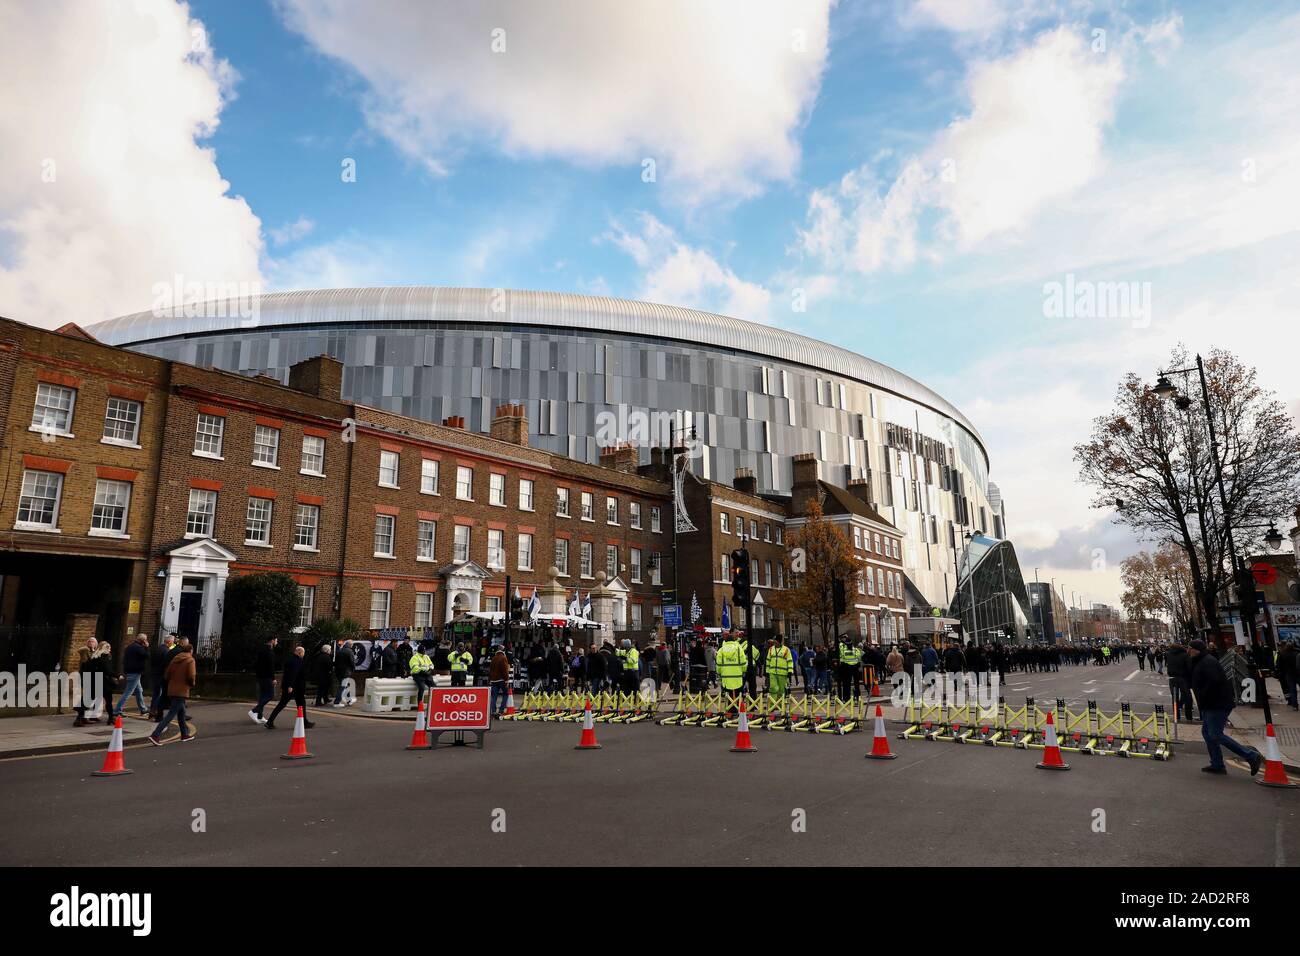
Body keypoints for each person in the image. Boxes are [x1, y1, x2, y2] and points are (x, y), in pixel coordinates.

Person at [1188, 639, 1262, 776]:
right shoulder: (1201, 660)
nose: (1188, 651)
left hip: (1216, 704)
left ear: (1196, 649)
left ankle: (1251, 755)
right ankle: (1217, 764)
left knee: (1215, 735)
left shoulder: (1208, 662)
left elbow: (1214, 681)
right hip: (1210, 704)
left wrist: (1203, 694)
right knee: (1207, 733)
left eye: (1190, 648)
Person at [148, 638, 196, 744]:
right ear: (190, 651)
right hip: (181, 690)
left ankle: (184, 734)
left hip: (171, 689)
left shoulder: (175, 659)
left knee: (181, 712)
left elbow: (167, 675)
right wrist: (191, 684)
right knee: (171, 714)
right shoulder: (190, 660)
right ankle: (155, 735)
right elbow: (192, 676)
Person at [265, 644, 314, 731]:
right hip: (295, 687)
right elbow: (293, 674)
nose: (303, 655)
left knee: (300, 704)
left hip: (293, 687)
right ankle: (269, 722)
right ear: (299, 652)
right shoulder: (296, 661)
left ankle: (304, 722)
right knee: (284, 704)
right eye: (303, 653)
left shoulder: (291, 659)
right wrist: (290, 686)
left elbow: (288, 674)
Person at [112, 635, 151, 718]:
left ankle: (143, 709)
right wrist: (147, 647)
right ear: (143, 641)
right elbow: (147, 656)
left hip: (131, 671)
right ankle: (117, 710)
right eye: (145, 640)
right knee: (128, 692)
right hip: (135, 672)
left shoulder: (130, 647)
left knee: (139, 690)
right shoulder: (139, 648)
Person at [149, 634, 178, 721]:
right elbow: (167, 664)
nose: (172, 644)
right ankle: (156, 712)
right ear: (169, 642)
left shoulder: (158, 648)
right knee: (160, 695)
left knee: (156, 694)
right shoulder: (166, 651)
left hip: (154, 673)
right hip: (161, 675)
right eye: (172, 642)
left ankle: (152, 712)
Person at [250, 636, 278, 723]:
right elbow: (271, 667)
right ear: (272, 641)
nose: (277, 642)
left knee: (263, 695)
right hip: (267, 677)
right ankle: (254, 711)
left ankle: (259, 716)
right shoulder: (269, 652)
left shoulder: (261, 650)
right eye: (276, 640)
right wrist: (273, 678)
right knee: (270, 695)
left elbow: (257, 663)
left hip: (260, 676)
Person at [1165, 640, 1196, 721]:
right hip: (1183, 678)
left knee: (1174, 698)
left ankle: (1176, 716)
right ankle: (1189, 716)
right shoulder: (1185, 655)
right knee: (1187, 696)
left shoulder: (1168, 654)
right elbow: (1189, 667)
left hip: (1172, 678)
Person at [73, 637, 100, 727]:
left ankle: (83, 717)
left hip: (92, 677)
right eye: (89, 641)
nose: (91, 642)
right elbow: (85, 661)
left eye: (93, 641)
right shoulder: (85, 651)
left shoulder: (94, 652)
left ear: (96, 644)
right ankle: (79, 719)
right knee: (87, 697)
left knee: (88, 697)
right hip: (86, 676)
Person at [716, 634, 746, 710]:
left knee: (728, 695)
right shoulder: (739, 649)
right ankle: (737, 709)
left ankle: (730, 709)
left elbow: (718, 664)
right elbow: (743, 662)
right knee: (737, 694)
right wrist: (743, 671)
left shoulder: (721, 650)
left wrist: (719, 673)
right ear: (734, 641)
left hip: (726, 678)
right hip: (737, 677)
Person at [489, 645, 511, 717]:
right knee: (505, 694)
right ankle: (501, 710)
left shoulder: (493, 658)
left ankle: (493, 711)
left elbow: (491, 670)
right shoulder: (503, 658)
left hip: (494, 680)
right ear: (503, 651)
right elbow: (505, 670)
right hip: (501, 680)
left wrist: (490, 679)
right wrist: (507, 680)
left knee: (494, 696)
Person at [333, 641, 355, 707]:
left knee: (346, 686)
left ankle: (349, 700)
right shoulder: (350, 651)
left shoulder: (340, 650)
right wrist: (353, 669)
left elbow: (335, 662)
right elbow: (352, 662)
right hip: (346, 672)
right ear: (350, 645)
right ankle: (337, 702)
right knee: (342, 687)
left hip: (338, 672)